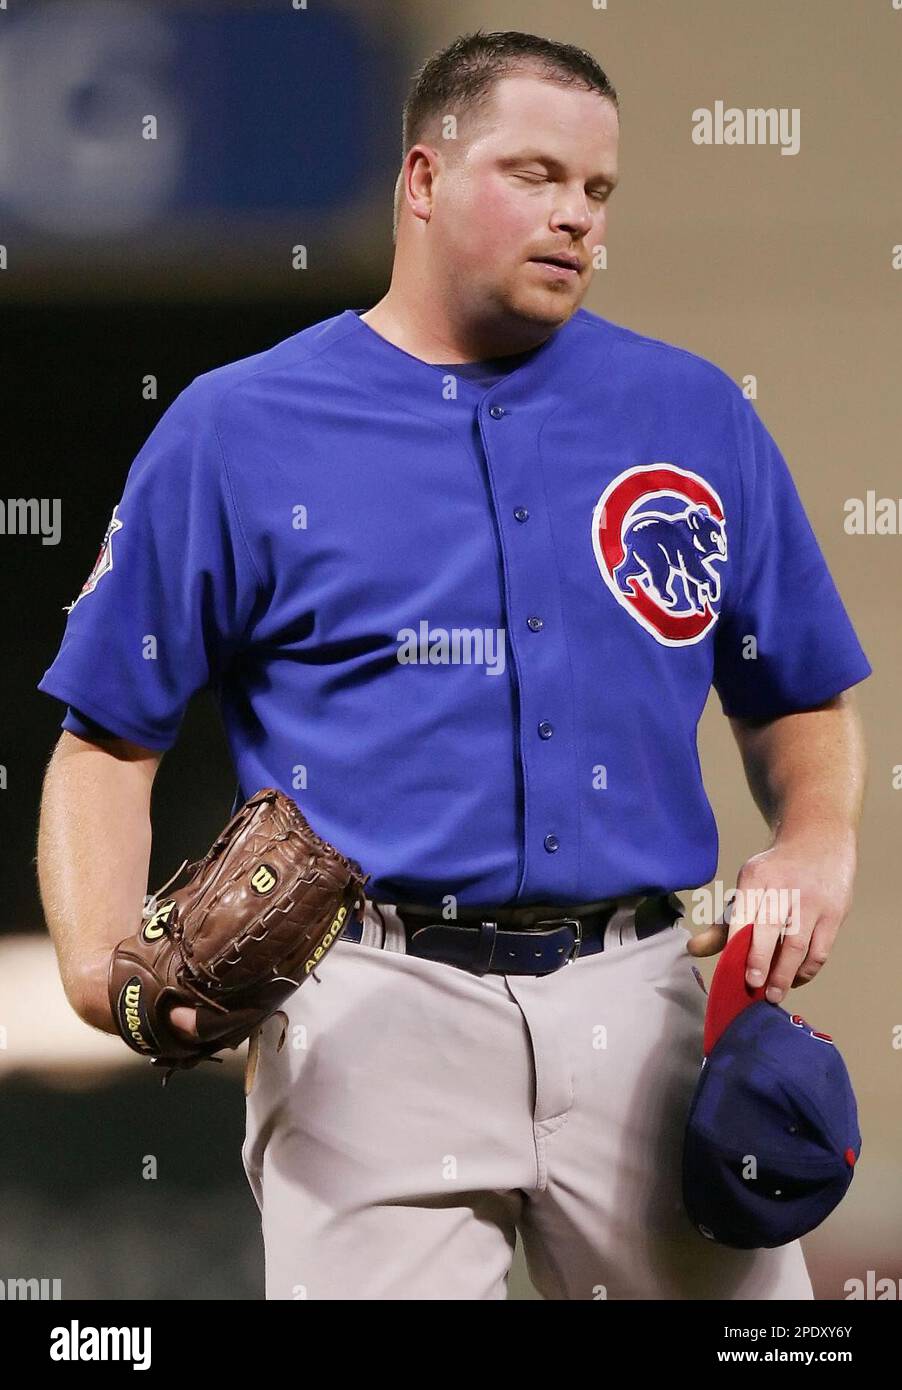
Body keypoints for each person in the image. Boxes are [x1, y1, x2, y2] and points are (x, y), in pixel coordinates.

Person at [37, 30, 870, 1300]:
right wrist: (104, 973)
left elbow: (798, 688)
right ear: (421, 179)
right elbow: (105, 736)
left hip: (642, 997)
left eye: (595, 192)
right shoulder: (241, 425)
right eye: (533, 175)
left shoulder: (691, 412)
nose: (573, 218)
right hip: (371, 1005)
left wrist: (815, 835)